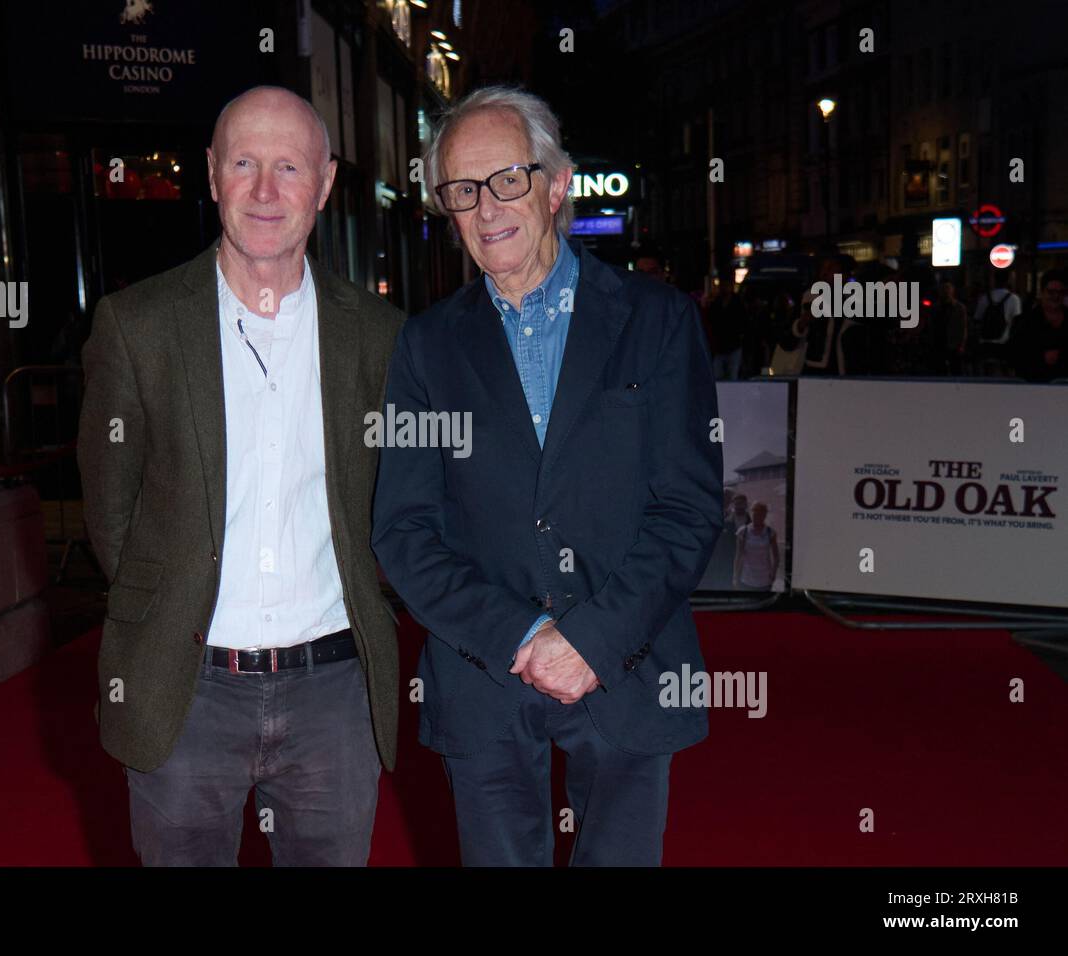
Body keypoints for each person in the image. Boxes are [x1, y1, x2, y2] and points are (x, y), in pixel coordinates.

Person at [371, 85, 723, 867]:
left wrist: (591, 641)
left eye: (507, 179)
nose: (486, 207)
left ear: (556, 185)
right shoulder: (426, 348)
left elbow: (688, 507)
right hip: (482, 673)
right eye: (462, 191)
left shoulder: (657, 320)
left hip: (627, 665)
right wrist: (524, 636)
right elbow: (404, 529)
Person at [77, 86, 404, 866]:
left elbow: (398, 507)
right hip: (184, 691)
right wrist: (171, 604)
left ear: (324, 184)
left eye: (288, 167)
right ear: (213, 175)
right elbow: (109, 511)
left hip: (334, 693)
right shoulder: (139, 326)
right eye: (245, 164)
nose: (265, 190)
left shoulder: (382, 337)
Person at [1011, 270, 1068, 382]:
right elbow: (1014, 355)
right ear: (1041, 292)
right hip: (1033, 385)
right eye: (1051, 292)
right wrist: (1041, 358)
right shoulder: (1024, 321)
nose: (1055, 296)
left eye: (1060, 292)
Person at [973, 270, 1021, 375]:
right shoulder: (1014, 299)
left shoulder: (984, 298)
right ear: (1009, 280)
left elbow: (977, 319)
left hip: (985, 343)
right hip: (1004, 343)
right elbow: (1016, 322)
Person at [733, 502, 779, 591]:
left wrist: (773, 572)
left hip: (765, 579)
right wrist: (735, 576)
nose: (756, 517)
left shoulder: (770, 532)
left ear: (764, 515)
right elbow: (738, 555)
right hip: (747, 578)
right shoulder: (743, 531)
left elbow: (776, 556)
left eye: (759, 514)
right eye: (754, 514)